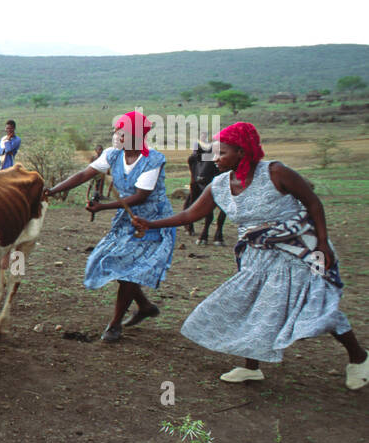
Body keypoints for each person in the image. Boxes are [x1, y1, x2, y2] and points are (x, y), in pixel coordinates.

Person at [133, 122, 367, 390]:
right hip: (259, 259)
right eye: (214, 153)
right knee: (254, 307)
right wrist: (151, 224)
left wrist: (323, 243)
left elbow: (313, 202)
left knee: (315, 308)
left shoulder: (276, 172)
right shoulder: (219, 185)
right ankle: (252, 368)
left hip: (301, 252)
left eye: (222, 153)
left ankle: (359, 358)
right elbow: (190, 215)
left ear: (242, 151)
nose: (215, 159)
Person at [45, 111, 176, 342]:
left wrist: (103, 207)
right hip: (126, 219)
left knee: (127, 268)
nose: (116, 135)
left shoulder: (153, 159)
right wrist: (53, 190)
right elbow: (85, 174)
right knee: (112, 262)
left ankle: (114, 325)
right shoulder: (113, 155)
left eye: (121, 131)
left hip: (149, 222)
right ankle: (144, 306)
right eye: (116, 131)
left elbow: (141, 196)